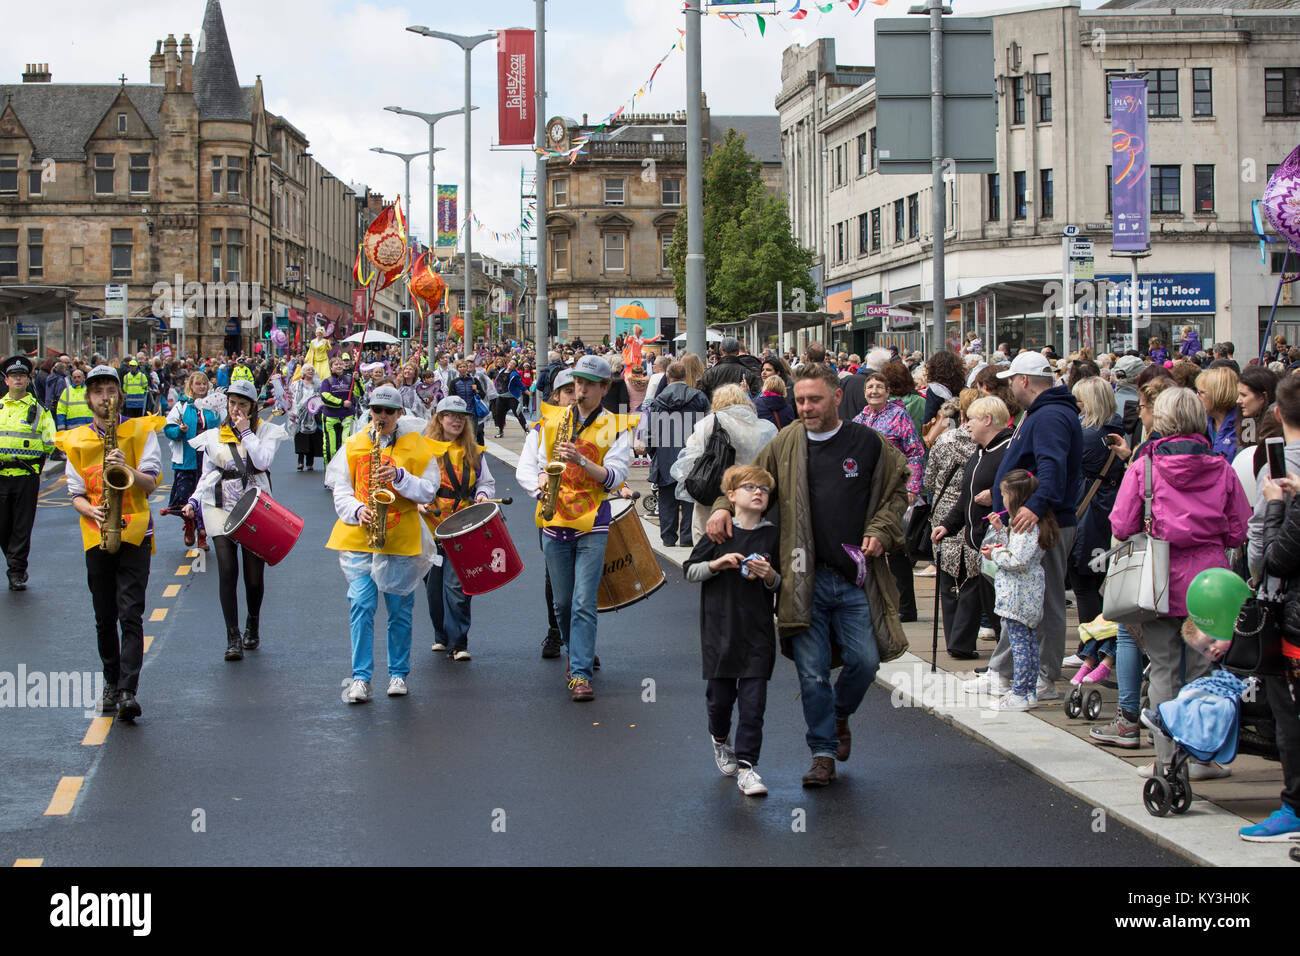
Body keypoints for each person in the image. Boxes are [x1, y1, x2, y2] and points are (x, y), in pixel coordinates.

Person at [705, 363, 911, 787]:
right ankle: (822, 754)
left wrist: (880, 531)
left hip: (855, 578)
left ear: (837, 397)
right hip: (802, 580)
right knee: (812, 673)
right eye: (800, 400)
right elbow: (749, 479)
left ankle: (838, 717)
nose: (806, 408)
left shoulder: (868, 443)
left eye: (814, 399)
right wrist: (723, 508)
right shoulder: (787, 442)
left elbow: (897, 492)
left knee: (866, 661)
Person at [1110, 386, 1250, 779]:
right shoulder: (1222, 467)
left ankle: (1167, 760)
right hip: (1210, 586)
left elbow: (1121, 524)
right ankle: (1202, 755)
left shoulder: (1144, 467)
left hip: (1158, 581)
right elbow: (1239, 530)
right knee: (1203, 671)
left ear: (1164, 419)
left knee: (1163, 669)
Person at [965, 351, 1081, 700]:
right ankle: (1007, 671)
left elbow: (1052, 469)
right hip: (1035, 518)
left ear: (1024, 380)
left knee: (1043, 603)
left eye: (1012, 380)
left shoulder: (1049, 417)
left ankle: (1041, 675)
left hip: (1045, 521)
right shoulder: (1045, 414)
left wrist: (1033, 506)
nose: (1010, 387)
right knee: (1022, 601)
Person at [525, 355, 634, 701]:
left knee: (585, 601)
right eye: (577, 383)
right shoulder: (550, 420)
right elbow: (531, 465)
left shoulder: (617, 426)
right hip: (554, 519)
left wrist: (582, 461)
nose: (580, 390)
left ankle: (581, 673)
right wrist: (540, 478)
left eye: (589, 384)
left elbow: (615, 477)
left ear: (605, 388)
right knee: (563, 604)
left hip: (593, 523)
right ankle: (576, 655)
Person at [60, 365, 164, 721]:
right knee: (104, 616)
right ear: (89, 399)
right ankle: (110, 680)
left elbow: (150, 483)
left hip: (135, 530)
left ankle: (127, 691)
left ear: (120, 396)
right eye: (98, 391)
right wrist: (91, 510)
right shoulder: (77, 440)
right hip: (97, 532)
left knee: (130, 613)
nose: (105, 397)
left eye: (110, 390)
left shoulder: (139, 431)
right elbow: (74, 493)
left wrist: (128, 469)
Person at [327, 384, 440, 702]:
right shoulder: (354, 444)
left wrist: (400, 477)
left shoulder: (416, 446)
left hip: (400, 538)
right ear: (370, 411)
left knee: (400, 610)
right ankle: (361, 677)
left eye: (389, 411)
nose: (383, 416)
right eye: (377, 410)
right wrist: (357, 509)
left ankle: (398, 674)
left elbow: (429, 491)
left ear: (400, 413)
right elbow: (340, 488)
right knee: (361, 605)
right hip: (361, 537)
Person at [684, 464, 781, 798]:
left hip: (757, 633)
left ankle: (748, 768)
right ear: (731, 496)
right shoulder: (718, 532)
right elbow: (690, 572)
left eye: (764, 490)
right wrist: (717, 564)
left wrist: (769, 575)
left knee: (754, 706)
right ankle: (720, 738)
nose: (758, 493)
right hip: (719, 630)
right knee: (720, 701)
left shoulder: (772, 534)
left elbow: (780, 581)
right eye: (750, 487)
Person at [184, 379, 290, 660]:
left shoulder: (265, 431)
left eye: (242, 405)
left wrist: (245, 432)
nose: (236, 410)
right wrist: (194, 501)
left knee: (254, 577)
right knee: (227, 570)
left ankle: (252, 622)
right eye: (232, 404)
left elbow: (263, 461)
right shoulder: (213, 435)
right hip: (217, 504)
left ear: (253, 408)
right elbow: (207, 474)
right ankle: (232, 636)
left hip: (254, 506)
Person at [1248, 419, 1300, 841]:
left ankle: (1294, 809)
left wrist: (1277, 506)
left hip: (1293, 624)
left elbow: (1272, 560)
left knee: (1290, 718)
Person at [419, 396, 495, 661]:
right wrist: (418, 504)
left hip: (463, 528)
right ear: (439, 419)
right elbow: (413, 485)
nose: (456, 420)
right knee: (433, 589)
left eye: (461, 416)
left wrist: (484, 494)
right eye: (450, 415)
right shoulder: (424, 449)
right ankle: (441, 636)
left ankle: (458, 642)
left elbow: (486, 482)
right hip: (431, 528)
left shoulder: (475, 452)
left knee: (457, 587)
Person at [935, 395, 1013, 648]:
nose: (966, 424)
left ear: (988, 420)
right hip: (978, 544)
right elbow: (965, 497)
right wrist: (947, 525)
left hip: (998, 544)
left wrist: (996, 494)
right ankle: (1001, 665)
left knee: (1001, 612)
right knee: (991, 609)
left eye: (972, 419)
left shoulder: (1007, 450)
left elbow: (1023, 485)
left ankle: (1006, 667)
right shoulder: (979, 452)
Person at [983, 469, 1058, 710]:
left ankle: (1022, 693)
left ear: (1015, 497)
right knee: (1028, 645)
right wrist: (999, 531)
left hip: (1019, 596)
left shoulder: (1026, 527)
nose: (1002, 500)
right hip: (1022, 595)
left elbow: (1017, 560)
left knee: (1022, 647)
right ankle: (1027, 690)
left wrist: (995, 553)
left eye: (1004, 494)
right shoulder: (1025, 526)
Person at [854, 371, 926, 621]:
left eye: (879, 387)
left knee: (895, 547)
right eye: (870, 387)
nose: (874, 391)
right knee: (868, 545)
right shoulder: (860, 418)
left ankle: (906, 607)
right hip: (867, 491)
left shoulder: (898, 415)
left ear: (887, 392)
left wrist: (913, 487)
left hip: (895, 489)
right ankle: (874, 602)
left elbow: (915, 451)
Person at [517, 368, 577, 658]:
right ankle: (556, 631)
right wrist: (540, 487)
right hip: (553, 510)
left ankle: (581, 644)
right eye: (568, 392)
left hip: (587, 510)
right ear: (556, 396)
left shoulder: (598, 426)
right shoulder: (540, 427)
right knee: (555, 578)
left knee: (585, 584)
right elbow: (524, 469)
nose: (574, 398)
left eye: (578, 391)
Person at [671, 384, 777, 547]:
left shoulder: (711, 422)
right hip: (748, 492)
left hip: (713, 488)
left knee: (706, 535)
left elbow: (691, 454)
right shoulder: (762, 427)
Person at [924, 390, 982, 658]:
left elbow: (929, 478)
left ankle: (951, 637)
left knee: (947, 576)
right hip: (972, 511)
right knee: (970, 575)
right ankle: (963, 640)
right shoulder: (983, 445)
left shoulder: (944, 440)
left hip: (944, 512)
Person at [0, 355, 56, 590]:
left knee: (22, 527)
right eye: (14, 376)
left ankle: (17, 571)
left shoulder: (39, 410)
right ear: (6, 381)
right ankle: (14, 561)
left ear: (28, 379)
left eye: (22, 376)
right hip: (1, 477)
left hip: (26, 476)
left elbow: (50, 442)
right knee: (3, 527)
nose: (18, 379)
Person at [640, 361, 709, 547]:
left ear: (668, 377)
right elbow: (707, 428)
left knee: (666, 498)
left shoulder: (658, 400)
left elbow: (651, 432)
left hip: (665, 453)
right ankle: (687, 537)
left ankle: (668, 536)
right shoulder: (699, 397)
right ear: (685, 376)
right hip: (691, 453)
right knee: (689, 497)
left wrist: (653, 451)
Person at [162, 371, 219, 550]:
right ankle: (190, 526)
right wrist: (180, 430)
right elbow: (168, 429)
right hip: (187, 458)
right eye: (198, 384)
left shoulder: (214, 405)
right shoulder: (182, 406)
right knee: (185, 495)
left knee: (205, 497)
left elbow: (224, 425)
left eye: (204, 384)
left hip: (208, 457)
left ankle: (202, 534)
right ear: (191, 386)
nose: (202, 387)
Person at [1237, 365, 1281, 475]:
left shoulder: (1274, 425)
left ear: (1263, 396)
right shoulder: (1247, 423)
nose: (1238, 400)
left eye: (1243, 395)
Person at [319, 356, 357, 472]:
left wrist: (358, 380)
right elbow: (325, 397)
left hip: (348, 416)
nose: (339, 366)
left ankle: (346, 474)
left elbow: (360, 392)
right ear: (331, 367)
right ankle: (331, 475)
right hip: (331, 417)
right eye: (336, 364)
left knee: (347, 446)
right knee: (331, 449)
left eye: (340, 364)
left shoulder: (350, 380)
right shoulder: (327, 381)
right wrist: (341, 403)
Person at [1196, 365, 1239, 461]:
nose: (1196, 396)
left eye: (1201, 392)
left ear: (1217, 394)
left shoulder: (1244, 426)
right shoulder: (1200, 425)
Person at [289, 364, 324, 471]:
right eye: (308, 370)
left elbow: (321, 397)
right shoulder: (296, 384)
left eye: (312, 370)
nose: (310, 371)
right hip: (299, 414)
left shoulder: (317, 385)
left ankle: (310, 462)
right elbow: (291, 397)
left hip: (313, 414)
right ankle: (300, 461)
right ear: (303, 372)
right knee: (300, 437)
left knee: (312, 438)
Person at [54, 366, 92, 433]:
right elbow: (61, 412)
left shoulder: (90, 390)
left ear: (83, 377)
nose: (77, 379)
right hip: (72, 431)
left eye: (79, 377)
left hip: (89, 429)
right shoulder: (67, 392)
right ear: (71, 379)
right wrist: (61, 431)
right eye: (74, 377)